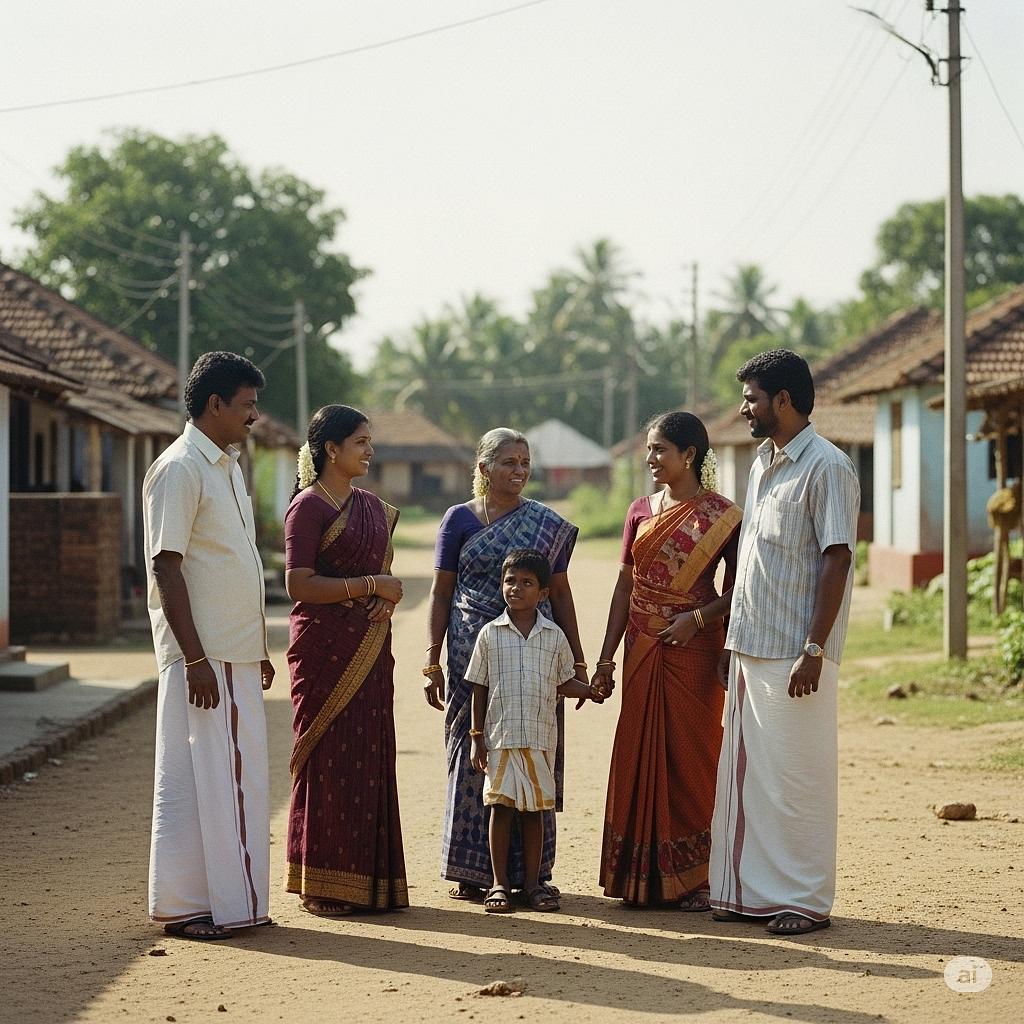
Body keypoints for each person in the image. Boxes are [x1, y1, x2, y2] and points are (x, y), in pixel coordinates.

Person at [709, 349, 859, 937]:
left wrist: (814, 649)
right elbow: (753, 560)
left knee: (798, 778)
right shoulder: (763, 463)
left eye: (751, 398)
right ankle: (747, 893)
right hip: (751, 645)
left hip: (798, 654)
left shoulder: (828, 466)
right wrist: (730, 641)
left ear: (784, 401)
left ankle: (804, 900)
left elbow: (837, 558)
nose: (744, 408)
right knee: (751, 777)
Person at [424, 428, 591, 906]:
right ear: (483, 469)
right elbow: (440, 592)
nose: (519, 471)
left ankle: (532, 873)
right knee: (472, 752)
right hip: (470, 648)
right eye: (508, 462)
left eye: (524, 462)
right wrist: (431, 658)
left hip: (536, 654)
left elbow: (559, 592)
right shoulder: (458, 520)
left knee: (535, 752)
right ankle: (474, 872)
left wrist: (576, 660)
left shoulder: (544, 523)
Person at [143, 351, 275, 941]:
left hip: (235, 651)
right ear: (215, 404)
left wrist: (260, 646)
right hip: (202, 657)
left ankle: (230, 903)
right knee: (196, 779)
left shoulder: (226, 466)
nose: (254, 416)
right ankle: (183, 906)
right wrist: (194, 657)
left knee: (235, 780)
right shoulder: (179, 468)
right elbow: (166, 567)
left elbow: (233, 563)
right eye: (246, 404)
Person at [595, 412, 741, 909]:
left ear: (689, 456)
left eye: (660, 449)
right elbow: (624, 585)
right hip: (641, 649)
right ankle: (638, 878)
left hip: (692, 653)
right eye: (650, 450)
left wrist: (698, 620)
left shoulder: (723, 516)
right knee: (637, 753)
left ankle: (695, 880)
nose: (651, 458)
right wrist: (606, 657)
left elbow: (738, 592)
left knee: (691, 759)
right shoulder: (639, 511)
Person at [283, 405, 408, 916]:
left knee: (370, 755)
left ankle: (372, 883)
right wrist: (373, 586)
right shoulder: (307, 508)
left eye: (369, 441)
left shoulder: (373, 508)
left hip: (370, 646)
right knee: (329, 759)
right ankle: (324, 883)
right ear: (331, 448)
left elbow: (387, 576)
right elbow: (300, 584)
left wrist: (384, 597)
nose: (369, 450)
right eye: (360, 441)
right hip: (324, 649)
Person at [468, 550, 607, 913]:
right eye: (510, 581)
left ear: (543, 593)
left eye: (527, 583)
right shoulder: (489, 634)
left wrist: (590, 691)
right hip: (500, 738)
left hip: (540, 739)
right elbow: (478, 687)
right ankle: (498, 884)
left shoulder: (555, 637)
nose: (516, 588)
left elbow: (565, 683)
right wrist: (476, 737)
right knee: (500, 808)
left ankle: (532, 885)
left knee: (533, 813)